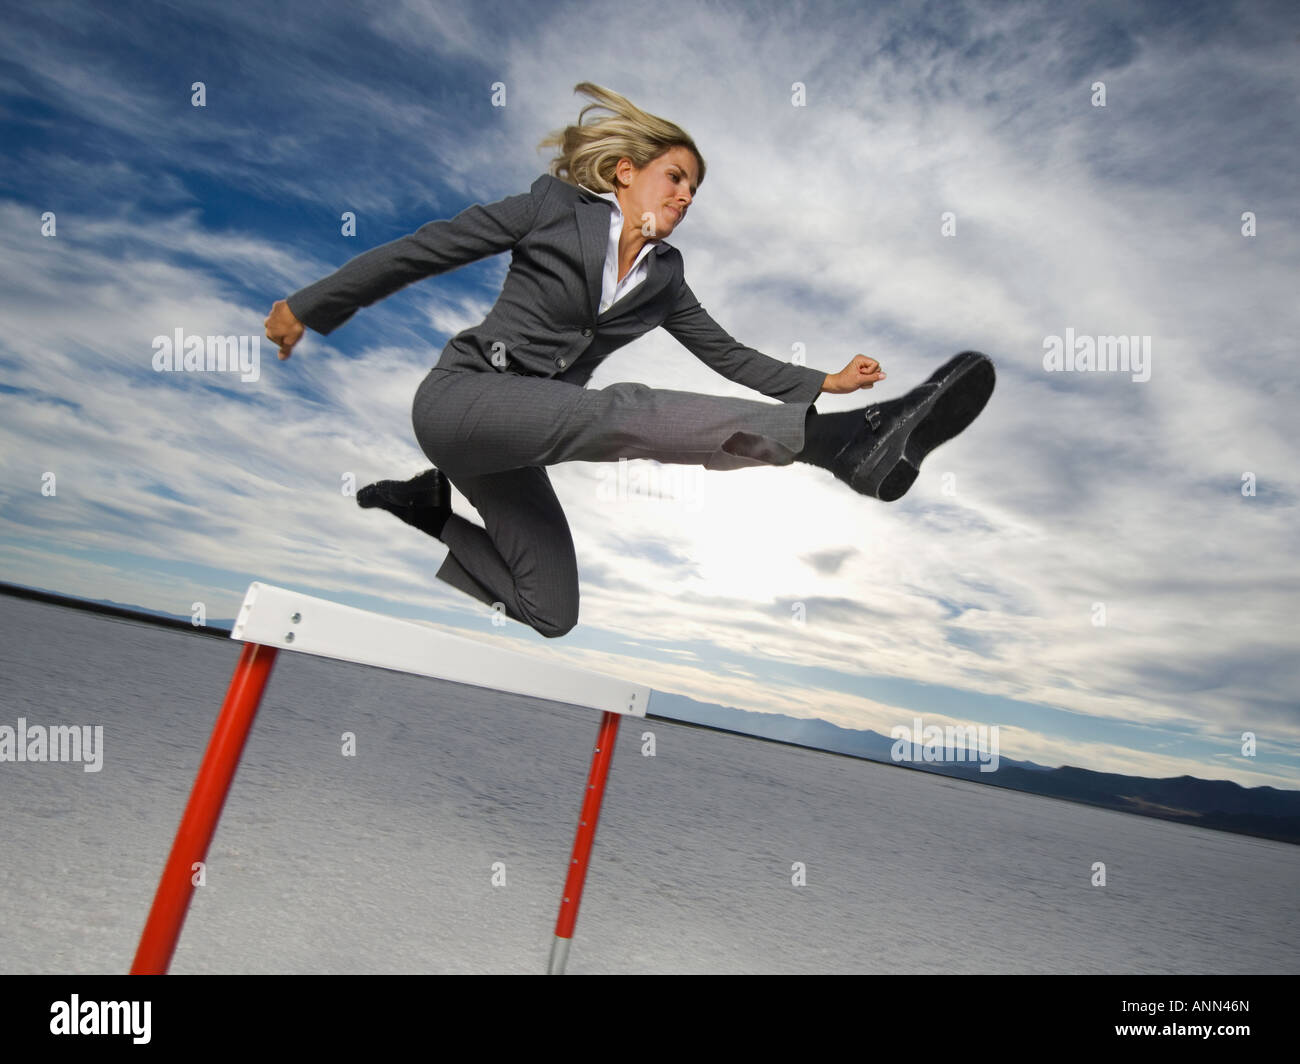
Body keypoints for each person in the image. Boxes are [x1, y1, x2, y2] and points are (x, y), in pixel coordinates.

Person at [264, 83, 994, 639]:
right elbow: (422, 249)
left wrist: (824, 380)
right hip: (461, 401)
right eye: (675, 177)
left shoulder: (666, 278)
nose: (686, 195)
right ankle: (839, 442)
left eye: (695, 189)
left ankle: (425, 509)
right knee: (615, 409)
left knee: (551, 609)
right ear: (623, 172)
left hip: (512, 445)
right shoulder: (548, 210)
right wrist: (309, 306)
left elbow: (726, 352)